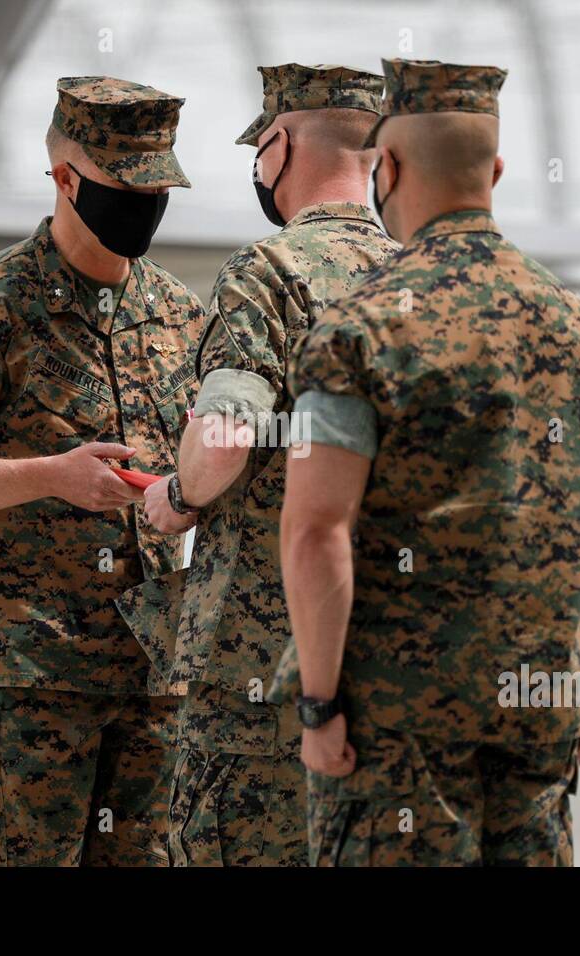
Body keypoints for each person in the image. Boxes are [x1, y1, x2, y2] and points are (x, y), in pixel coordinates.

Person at [274, 58, 580, 865]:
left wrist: (316, 705)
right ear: (499, 172)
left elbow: (315, 530)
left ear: (390, 167)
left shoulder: (358, 332)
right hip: (542, 709)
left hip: (395, 725)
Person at [0, 75, 206, 866]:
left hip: (154, 685)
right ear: (64, 178)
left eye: (155, 188)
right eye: (121, 187)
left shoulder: (185, 319)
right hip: (23, 683)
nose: (142, 205)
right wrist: (48, 475)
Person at [134, 64, 398, 866]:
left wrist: (174, 498)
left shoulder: (271, 273)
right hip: (386, 666)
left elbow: (223, 438)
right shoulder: (420, 282)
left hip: (261, 677)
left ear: (278, 147)